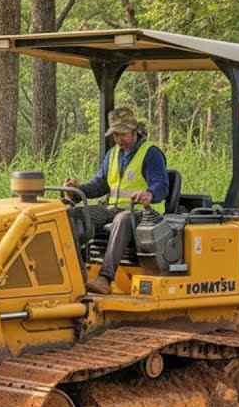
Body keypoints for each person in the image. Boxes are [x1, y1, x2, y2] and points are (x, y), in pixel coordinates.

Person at [64, 107, 168, 295]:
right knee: (72, 216)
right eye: (116, 135)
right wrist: (78, 190)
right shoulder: (113, 154)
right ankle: (75, 274)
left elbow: (161, 184)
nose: (119, 139)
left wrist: (149, 194)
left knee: (122, 219)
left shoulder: (151, 154)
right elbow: (100, 185)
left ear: (134, 130)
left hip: (143, 213)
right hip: (110, 208)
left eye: (123, 134)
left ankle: (105, 278)